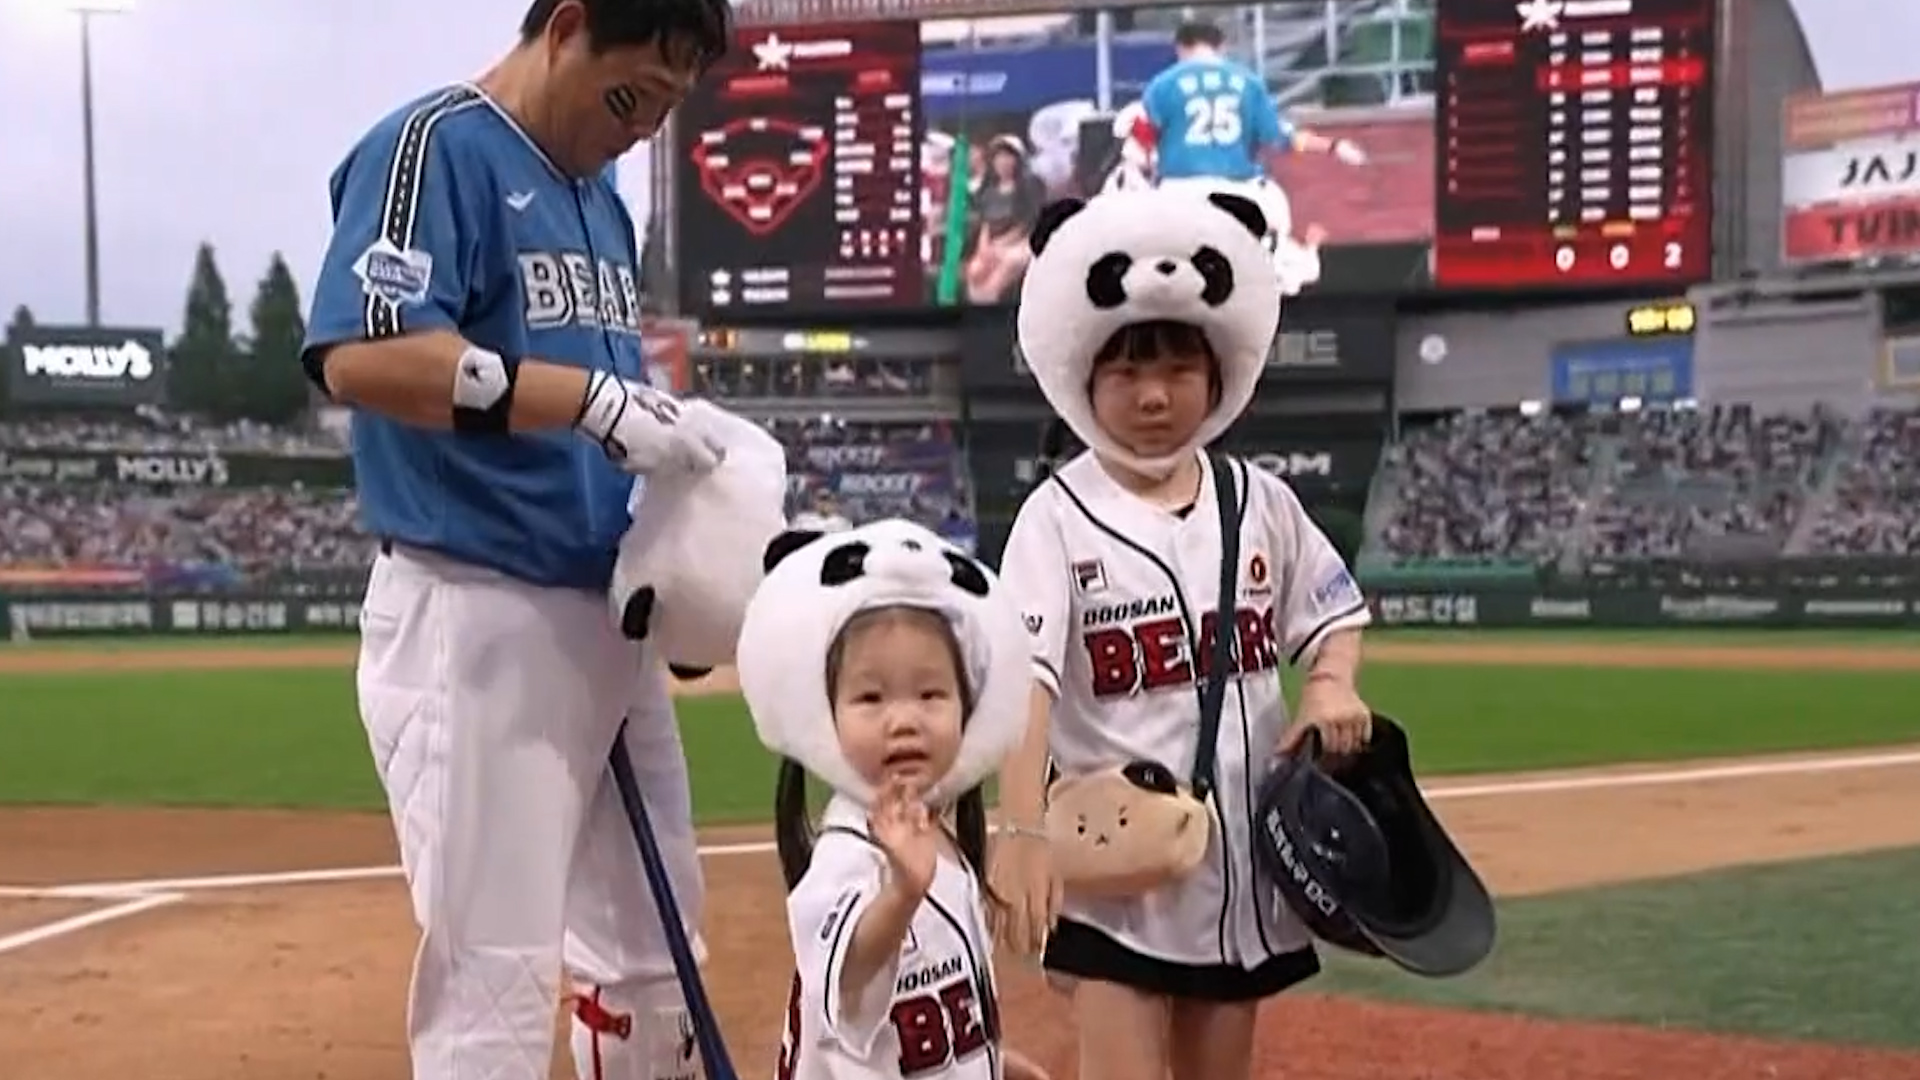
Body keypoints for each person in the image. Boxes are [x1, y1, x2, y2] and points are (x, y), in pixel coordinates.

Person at [297, 1, 732, 1078]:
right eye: (630, 95)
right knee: (495, 971)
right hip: (475, 607)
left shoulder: (603, 199)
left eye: (665, 111)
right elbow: (361, 354)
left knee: (655, 946)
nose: (638, 129)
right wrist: (586, 398)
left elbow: (601, 420)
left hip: (601, 614)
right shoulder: (436, 145)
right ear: (567, 26)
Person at [987, 187, 1377, 1080]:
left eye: (1176, 369)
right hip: (1115, 871)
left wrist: (1330, 684)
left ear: (1217, 373)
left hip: (1237, 865)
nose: (1153, 395)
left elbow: (1332, 612)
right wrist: (1020, 832)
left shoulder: (1259, 501)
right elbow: (1025, 686)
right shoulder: (1056, 518)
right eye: (1125, 372)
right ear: (1085, 378)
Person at [735, 520, 1051, 1080]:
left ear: (967, 705)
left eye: (931, 693)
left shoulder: (937, 832)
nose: (903, 720)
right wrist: (902, 893)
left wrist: (990, 1061)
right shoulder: (847, 855)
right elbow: (851, 982)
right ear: (828, 712)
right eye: (870, 697)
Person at [1135, 21, 1367, 190]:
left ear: (1180, 49)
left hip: (1179, 188)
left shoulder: (1162, 84)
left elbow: (1143, 137)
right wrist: (1333, 146)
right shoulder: (1249, 82)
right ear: (1222, 47)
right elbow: (1278, 136)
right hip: (1237, 188)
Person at [964, 136, 1049, 304]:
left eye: (1008, 156)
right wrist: (985, 247)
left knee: (1008, 262)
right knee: (975, 270)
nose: (1003, 162)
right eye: (998, 157)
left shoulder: (1030, 186)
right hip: (994, 243)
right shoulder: (988, 192)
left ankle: (990, 302)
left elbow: (1027, 223)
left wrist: (1003, 244)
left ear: (1017, 160)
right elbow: (985, 225)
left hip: (1024, 242)